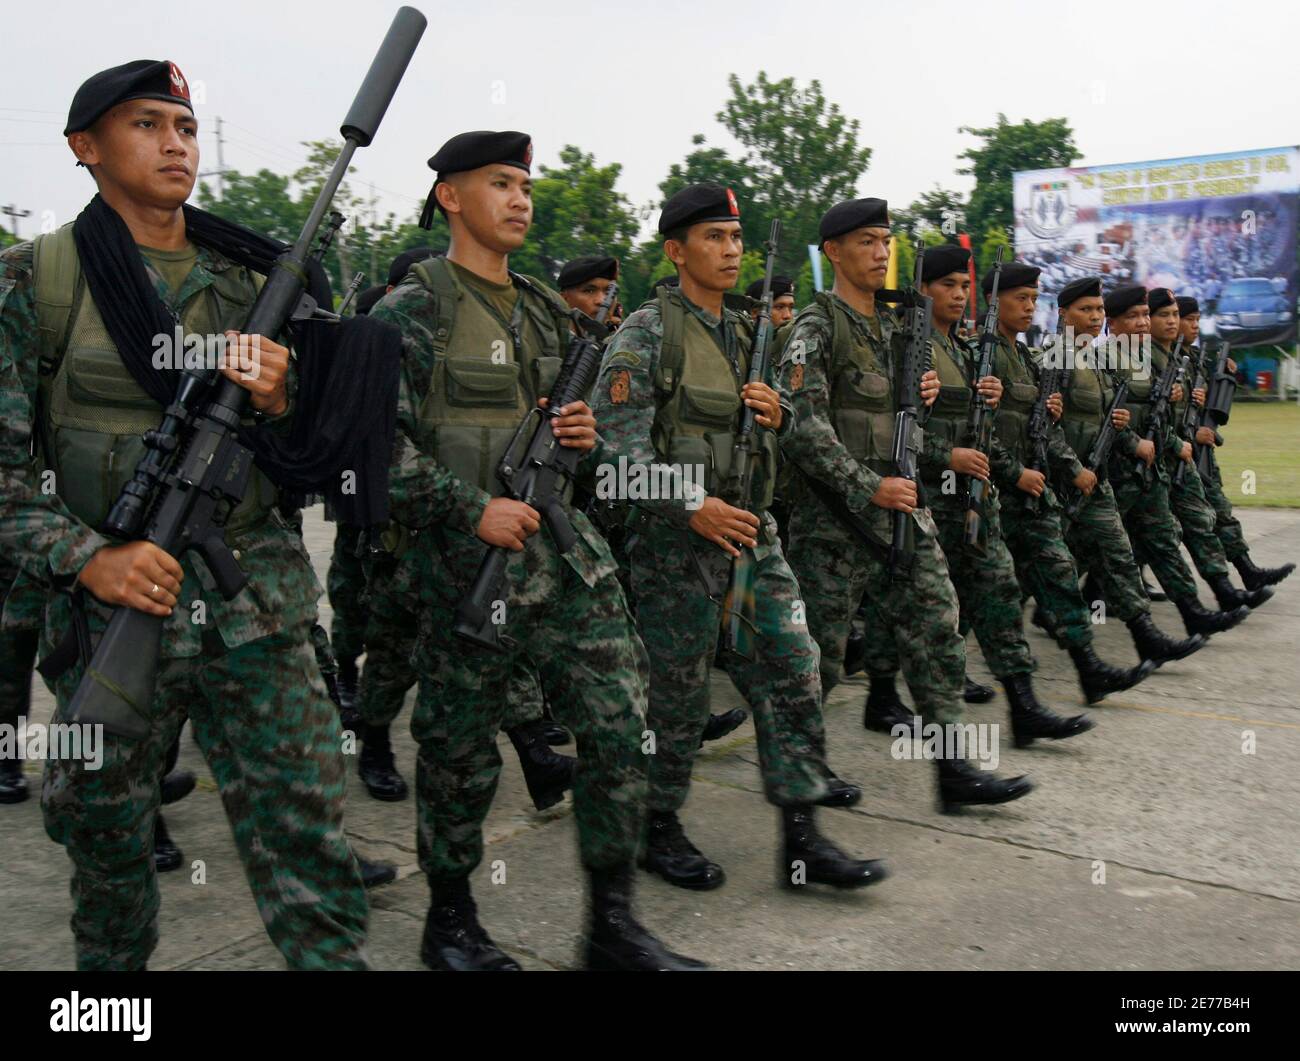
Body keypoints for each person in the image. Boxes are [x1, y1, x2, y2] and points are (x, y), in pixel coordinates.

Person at [0, 59, 371, 969]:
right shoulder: (33, 282)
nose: (175, 143)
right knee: (106, 838)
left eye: (186, 127)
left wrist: (285, 399)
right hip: (108, 604)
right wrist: (88, 558)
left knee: (306, 826)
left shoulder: (256, 279)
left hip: (257, 604)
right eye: (147, 125)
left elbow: (330, 454)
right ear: (85, 148)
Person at [370, 130, 702, 970]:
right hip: (457, 567)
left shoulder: (551, 312)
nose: (520, 198)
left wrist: (581, 437)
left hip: (564, 556)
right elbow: (371, 450)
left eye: (525, 184)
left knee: (622, 724)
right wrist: (469, 507)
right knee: (456, 753)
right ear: (450, 195)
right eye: (499, 183)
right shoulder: (409, 310)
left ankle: (612, 923)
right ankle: (450, 920)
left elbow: (575, 439)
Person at [591, 182, 884, 891]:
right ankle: (657, 825)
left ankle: (804, 837)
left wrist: (776, 412)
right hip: (677, 549)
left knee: (794, 665)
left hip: (753, 535)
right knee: (678, 698)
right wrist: (691, 506)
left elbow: (791, 418)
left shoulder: (753, 332)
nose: (730, 250)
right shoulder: (646, 331)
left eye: (736, 238)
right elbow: (612, 452)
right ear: (675, 250)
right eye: (714, 237)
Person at [774, 197, 1032, 812]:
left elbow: (904, 424)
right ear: (833, 251)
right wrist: (867, 485)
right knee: (821, 661)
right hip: (835, 522)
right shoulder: (814, 328)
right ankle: (805, 783)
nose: (880, 252)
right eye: (865, 241)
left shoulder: (896, 330)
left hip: (903, 507)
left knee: (938, 629)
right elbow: (801, 427)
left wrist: (924, 408)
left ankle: (952, 771)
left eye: (885, 242)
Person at [856, 245, 1092, 748]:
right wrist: (948, 456)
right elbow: (896, 427)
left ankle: (1023, 706)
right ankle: (882, 695)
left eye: (964, 287)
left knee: (998, 589)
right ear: (923, 291)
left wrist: (995, 411)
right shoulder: (907, 345)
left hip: (969, 498)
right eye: (948, 286)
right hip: (921, 496)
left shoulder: (963, 350)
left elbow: (977, 426)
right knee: (897, 603)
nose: (960, 295)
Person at [980, 262, 1154, 703]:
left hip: (1039, 484)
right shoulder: (1025, 355)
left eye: (1033, 298)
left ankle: (1085, 671)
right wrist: (1066, 467)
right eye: (1088, 309)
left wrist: (1114, 427)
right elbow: (992, 427)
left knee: (1050, 572)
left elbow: (1045, 420)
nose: (1097, 317)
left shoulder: (1044, 356)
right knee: (992, 585)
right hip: (1011, 486)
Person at [1049, 277, 1206, 666]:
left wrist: (1125, 429)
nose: (1094, 317)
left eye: (1098, 309)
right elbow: (1041, 427)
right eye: (1086, 309)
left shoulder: (1095, 362)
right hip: (1064, 480)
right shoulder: (1056, 359)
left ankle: (1146, 637)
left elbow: (1107, 419)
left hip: (1098, 474)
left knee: (1118, 552)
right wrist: (1074, 470)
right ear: (1063, 313)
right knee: (1031, 565)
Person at [1104, 285, 1250, 636]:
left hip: (1153, 466)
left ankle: (1195, 610)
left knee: (1162, 537)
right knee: (1088, 545)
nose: (1143, 323)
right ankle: (1058, 610)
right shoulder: (1107, 359)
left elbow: (1156, 414)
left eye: (1144, 315)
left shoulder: (1152, 359)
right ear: (1114, 324)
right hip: (1119, 469)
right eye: (1136, 316)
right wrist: (1171, 440)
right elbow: (1112, 416)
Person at [1147, 288, 1272, 613]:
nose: (1180, 323)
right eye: (1169, 315)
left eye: (1181, 317)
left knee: (1197, 522)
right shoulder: (1142, 359)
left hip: (1180, 456)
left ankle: (1227, 589)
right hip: (1157, 460)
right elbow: (1146, 417)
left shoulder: (1181, 359)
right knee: (1136, 536)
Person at [1175, 295, 1292, 590]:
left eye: (1197, 320)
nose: (1194, 326)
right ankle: (1094, 591)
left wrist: (1226, 377)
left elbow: (1210, 408)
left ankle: (1246, 572)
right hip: (1177, 453)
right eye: (1189, 319)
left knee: (1217, 513)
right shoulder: (1165, 362)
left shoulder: (1196, 359)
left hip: (1196, 452)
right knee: (1160, 531)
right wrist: (1190, 433)